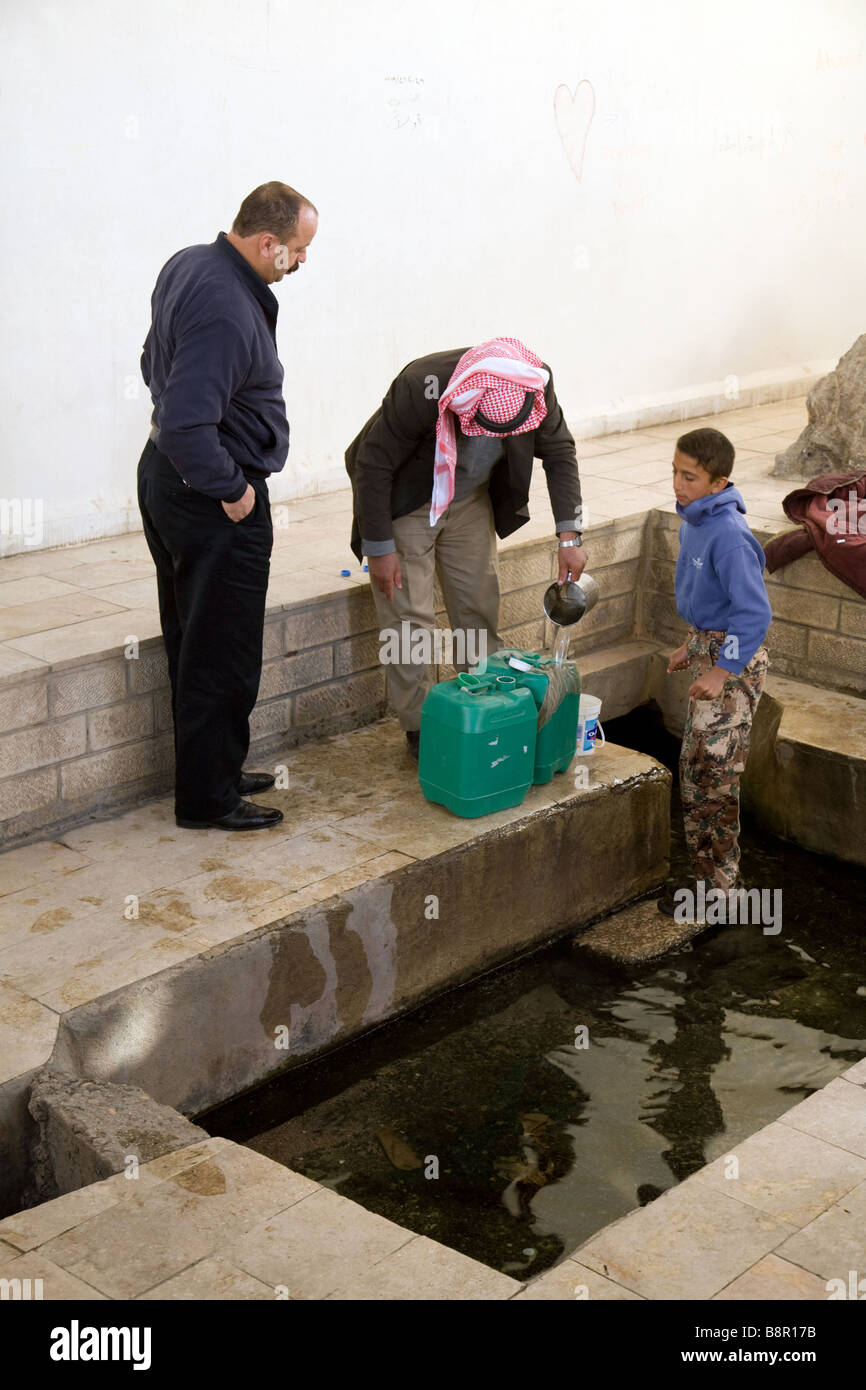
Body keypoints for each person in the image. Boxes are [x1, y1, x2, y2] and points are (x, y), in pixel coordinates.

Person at [138, 182, 318, 830]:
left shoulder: (191, 263)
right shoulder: (225, 306)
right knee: (223, 649)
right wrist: (234, 489)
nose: (299, 262)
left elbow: (150, 360)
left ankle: (211, 770)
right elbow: (190, 426)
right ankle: (209, 800)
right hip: (211, 494)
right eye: (297, 250)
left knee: (196, 641)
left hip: (168, 477)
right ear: (267, 242)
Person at [345, 338, 587, 759]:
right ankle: (421, 727)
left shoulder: (535, 383)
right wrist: (380, 549)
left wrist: (570, 535)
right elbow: (373, 463)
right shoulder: (422, 385)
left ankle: (482, 703)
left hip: (470, 496)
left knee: (477, 604)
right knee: (409, 621)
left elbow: (560, 452)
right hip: (410, 499)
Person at [658, 427, 772, 915]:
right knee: (697, 771)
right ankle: (708, 884)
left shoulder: (730, 536)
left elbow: (753, 614)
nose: (679, 486)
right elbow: (712, 601)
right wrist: (692, 644)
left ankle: (722, 896)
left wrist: (721, 671)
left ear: (719, 482)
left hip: (735, 665)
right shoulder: (694, 522)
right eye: (676, 473)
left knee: (715, 779)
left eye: (690, 477)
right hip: (711, 650)